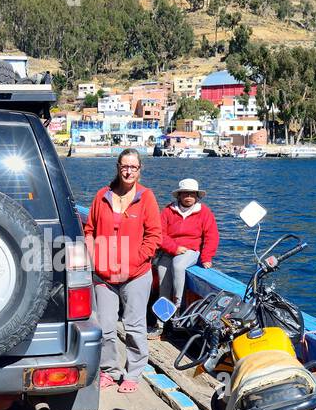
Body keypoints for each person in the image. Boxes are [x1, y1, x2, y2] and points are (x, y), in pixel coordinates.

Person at [83, 148, 162, 393]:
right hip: (104, 275)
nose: (128, 171)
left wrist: (135, 262)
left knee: (134, 326)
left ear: (140, 170)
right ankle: (109, 370)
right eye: (124, 166)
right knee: (105, 326)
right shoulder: (102, 196)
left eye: (133, 167)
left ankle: (133, 373)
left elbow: (154, 236)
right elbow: (89, 230)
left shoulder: (146, 198)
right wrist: (94, 258)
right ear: (118, 167)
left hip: (136, 274)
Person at [148, 178, 219, 338]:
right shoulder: (168, 211)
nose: (188, 196)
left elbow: (211, 236)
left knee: (179, 265)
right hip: (169, 250)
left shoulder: (204, 212)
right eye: (185, 193)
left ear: (197, 196)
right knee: (163, 282)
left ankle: (178, 309)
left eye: (192, 194)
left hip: (190, 250)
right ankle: (161, 324)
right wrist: (174, 248)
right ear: (179, 196)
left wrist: (207, 257)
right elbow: (160, 234)